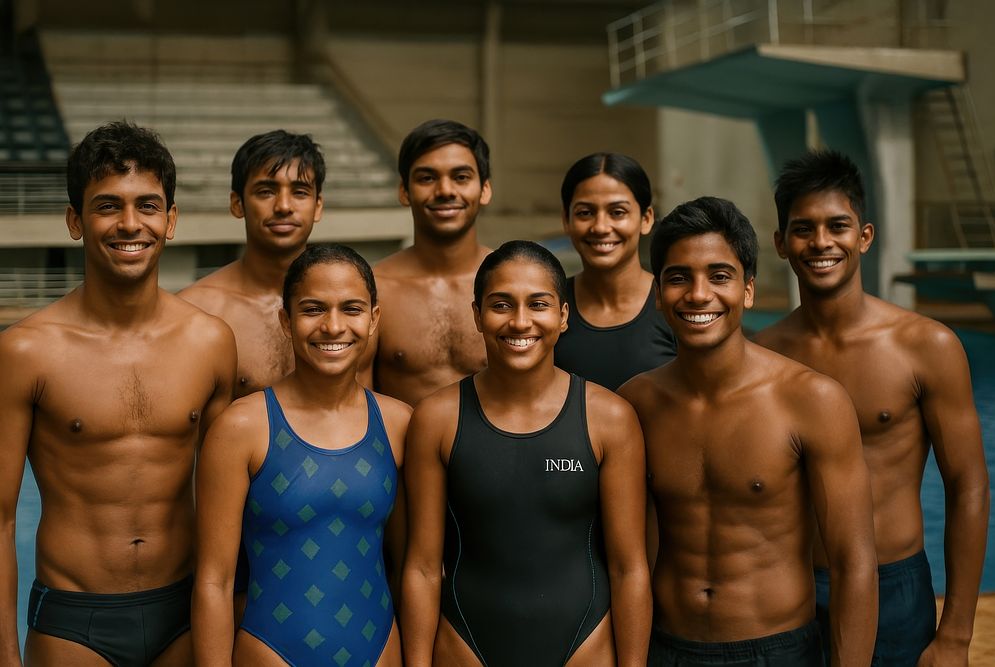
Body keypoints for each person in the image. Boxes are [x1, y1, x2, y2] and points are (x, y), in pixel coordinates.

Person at [0, 121, 237, 666]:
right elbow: (3, 517)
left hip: (184, 609)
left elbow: (227, 503)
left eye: (148, 206)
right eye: (108, 206)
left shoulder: (210, 343)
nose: (130, 224)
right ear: (74, 221)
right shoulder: (26, 352)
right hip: (74, 620)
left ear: (171, 220)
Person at [619, 197, 878, 666]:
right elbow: (624, 557)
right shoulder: (637, 404)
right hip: (667, 646)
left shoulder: (811, 400)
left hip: (775, 650)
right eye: (679, 278)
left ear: (749, 289)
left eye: (720, 276)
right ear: (657, 293)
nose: (699, 295)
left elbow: (853, 562)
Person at [755, 150, 990, 665]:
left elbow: (968, 487)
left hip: (893, 584)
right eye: (803, 229)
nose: (820, 242)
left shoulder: (925, 346)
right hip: (787, 588)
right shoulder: (762, 354)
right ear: (779, 243)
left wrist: (955, 635)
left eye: (837, 226)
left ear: (864, 236)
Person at [402, 240, 651, 667]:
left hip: (583, 647)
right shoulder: (436, 419)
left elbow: (629, 568)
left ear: (563, 315)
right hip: (465, 646)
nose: (520, 322)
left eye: (538, 304)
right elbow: (423, 567)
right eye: (502, 305)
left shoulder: (610, 418)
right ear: (477, 315)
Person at [192, 244, 410, 666]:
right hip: (271, 650)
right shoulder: (241, 428)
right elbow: (214, 582)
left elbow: (410, 567)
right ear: (285, 321)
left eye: (351, 309)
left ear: (374, 319)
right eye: (313, 309)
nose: (333, 326)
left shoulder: (400, 424)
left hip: (380, 649)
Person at [179, 129, 327, 397]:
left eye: (300, 192)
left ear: (317, 206)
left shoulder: (354, 307)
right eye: (266, 191)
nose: (283, 206)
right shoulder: (197, 310)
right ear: (237, 204)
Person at [365, 119, 493, 406]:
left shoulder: (513, 282)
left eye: (461, 177)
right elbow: (355, 405)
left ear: (484, 189)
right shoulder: (374, 288)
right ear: (404, 191)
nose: (445, 190)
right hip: (403, 450)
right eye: (427, 178)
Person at [555, 152, 676, 390]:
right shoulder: (547, 307)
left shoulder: (678, 304)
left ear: (646, 218)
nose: (600, 227)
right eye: (585, 213)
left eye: (617, 212)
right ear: (566, 221)